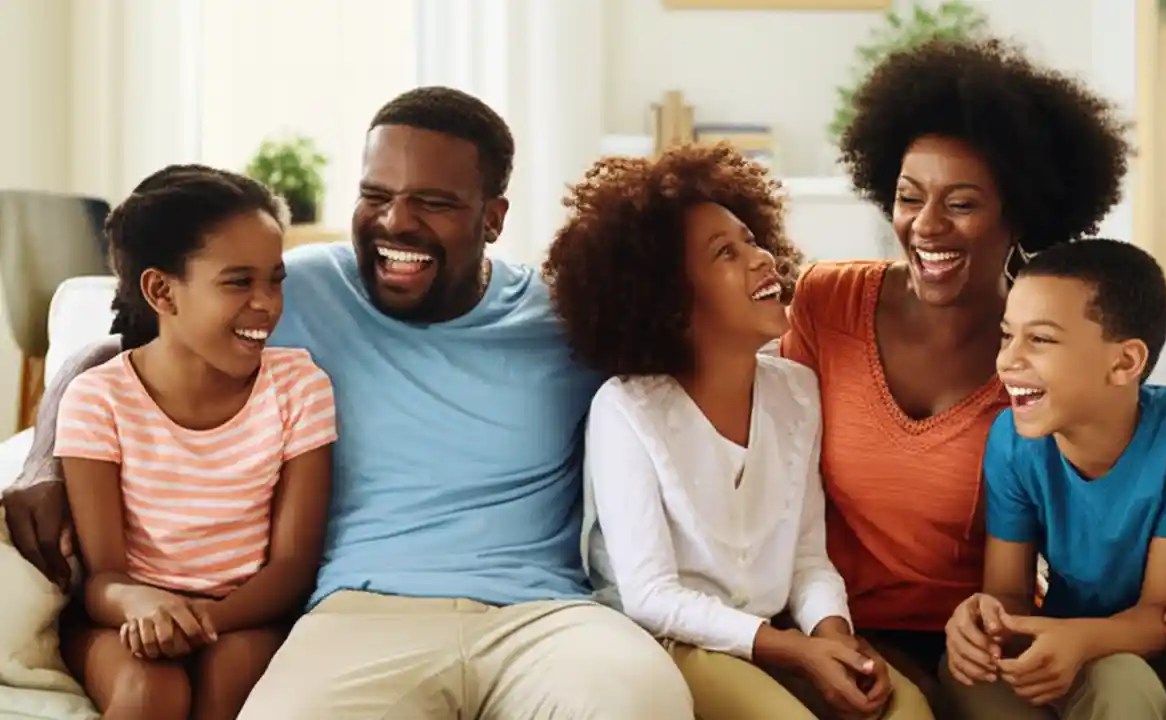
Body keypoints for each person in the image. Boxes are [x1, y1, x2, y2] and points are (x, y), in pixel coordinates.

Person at [3, 87, 693, 719]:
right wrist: (41, 460)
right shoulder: (293, 290)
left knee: (643, 700)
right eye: (376, 194)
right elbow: (113, 343)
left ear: (494, 217)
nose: (396, 222)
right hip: (361, 613)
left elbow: (706, 371)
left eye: (435, 202)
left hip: (545, 614)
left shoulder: (569, 318)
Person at [778, 36, 1166, 702]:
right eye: (907, 197)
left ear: (1020, 213)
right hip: (838, 624)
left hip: (990, 634)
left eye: (961, 203)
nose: (926, 226)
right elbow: (763, 466)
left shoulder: (1052, 368)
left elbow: (1139, 465)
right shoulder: (826, 302)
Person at [542, 143, 933, 719]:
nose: (761, 258)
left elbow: (807, 557)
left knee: (908, 710)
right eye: (726, 252)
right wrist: (795, 652)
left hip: (781, 636)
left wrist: (832, 636)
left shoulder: (798, 392)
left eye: (752, 239)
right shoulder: (626, 410)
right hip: (673, 642)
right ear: (671, 297)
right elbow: (651, 596)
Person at [942, 238, 1166, 719]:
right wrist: (984, 619)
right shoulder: (1012, 441)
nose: (1007, 360)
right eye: (1006, 335)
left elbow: (1165, 614)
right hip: (1073, 632)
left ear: (1124, 363)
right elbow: (1009, 591)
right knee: (981, 676)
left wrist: (1078, 638)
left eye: (1040, 339)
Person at [51, 165, 337, 720]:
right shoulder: (97, 399)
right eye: (238, 282)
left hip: (248, 614)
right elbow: (103, 578)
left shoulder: (300, 387)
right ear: (161, 290)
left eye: (275, 279)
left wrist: (201, 621)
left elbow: (293, 567)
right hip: (124, 618)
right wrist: (144, 606)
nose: (267, 303)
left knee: (230, 676)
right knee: (150, 693)